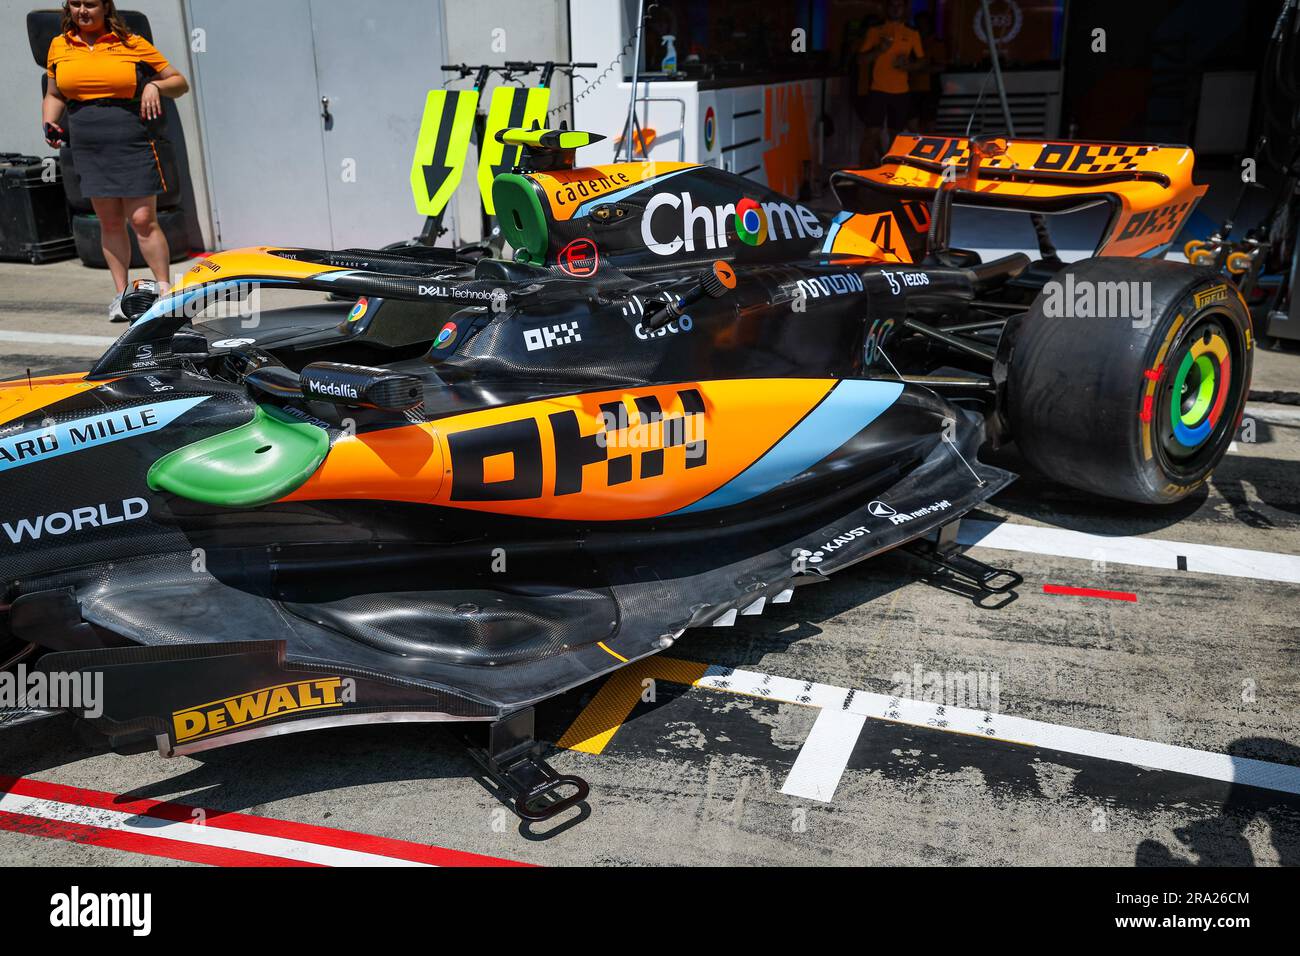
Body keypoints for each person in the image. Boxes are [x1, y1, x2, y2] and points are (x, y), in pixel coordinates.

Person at [42, 0, 189, 320]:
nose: (83, 10)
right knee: (108, 222)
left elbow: (179, 83)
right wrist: (50, 122)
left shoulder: (131, 43)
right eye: (76, 3)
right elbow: (54, 94)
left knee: (142, 221)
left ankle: (165, 292)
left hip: (130, 138)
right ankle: (122, 296)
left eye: (90, 4)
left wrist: (153, 84)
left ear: (106, 7)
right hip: (87, 141)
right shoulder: (59, 45)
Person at [857, 0, 926, 167]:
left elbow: (922, 61)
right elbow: (860, 60)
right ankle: (862, 175)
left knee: (896, 137)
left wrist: (908, 65)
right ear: (886, 8)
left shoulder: (912, 33)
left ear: (904, 9)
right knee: (871, 134)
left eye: (899, 6)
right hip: (878, 90)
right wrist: (880, 49)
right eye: (892, 5)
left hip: (901, 91)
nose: (895, 9)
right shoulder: (875, 31)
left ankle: (889, 174)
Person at [912, 12, 947, 134]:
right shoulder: (912, 42)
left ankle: (930, 148)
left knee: (929, 121)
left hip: (931, 88)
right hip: (913, 88)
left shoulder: (936, 43)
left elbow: (942, 66)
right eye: (918, 24)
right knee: (914, 122)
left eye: (924, 24)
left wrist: (921, 69)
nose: (921, 27)